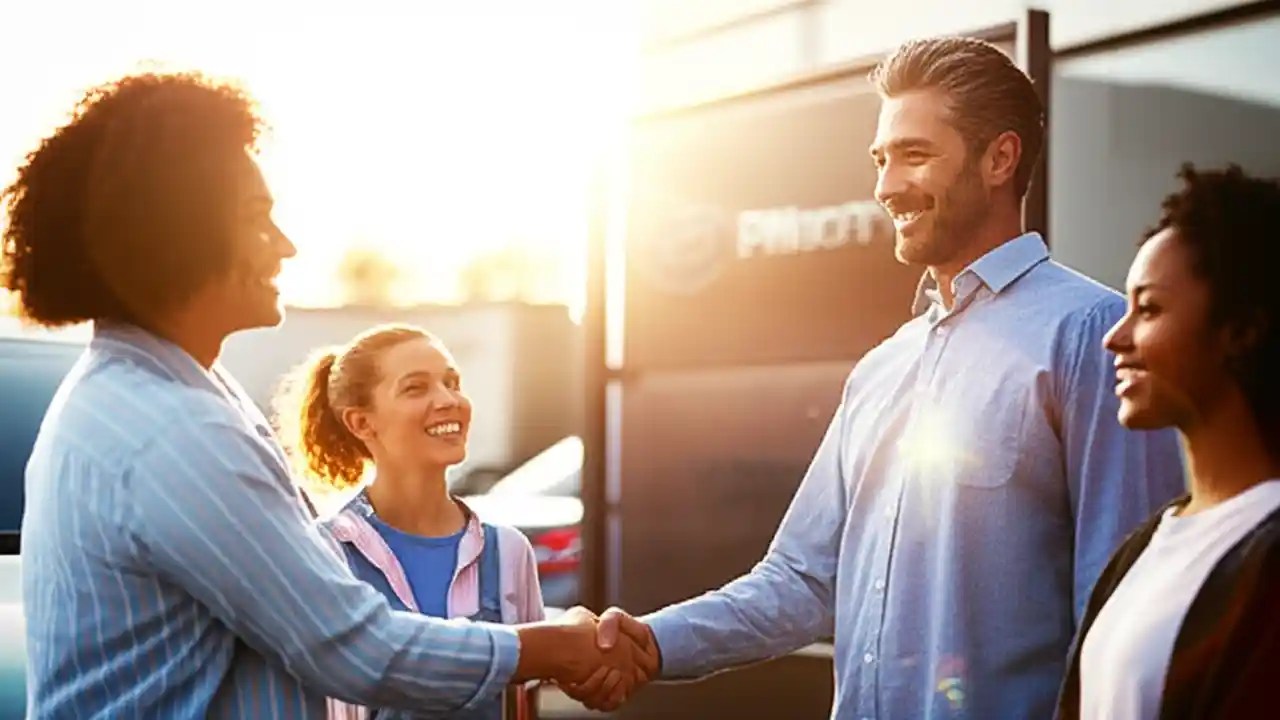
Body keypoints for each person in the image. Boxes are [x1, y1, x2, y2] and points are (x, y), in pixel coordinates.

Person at [4, 71, 653, 718]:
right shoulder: (171, 429)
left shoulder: (167, 389)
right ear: (180, 233)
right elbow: (356, 649)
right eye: (258, 220)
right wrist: (549, 648)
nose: (285, 246)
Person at [591, 36, 1187, 719]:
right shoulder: (882, 369)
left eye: (915, 154)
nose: (885, 186)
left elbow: (1120, 606)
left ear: (1000, 158)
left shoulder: (1091, 334)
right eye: (881, 159)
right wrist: (648, 644)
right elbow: (802, 582)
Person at [1055, 165, 1280, 719]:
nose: (1116, 336)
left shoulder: (1267, 562)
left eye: (1149, 308)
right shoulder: (1146, 546)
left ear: (1239, 331)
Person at [274, 324, 545, 719]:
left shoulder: (509, 552)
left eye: (452, 382)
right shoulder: (323, 553)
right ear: (362, 423)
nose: (448, 399)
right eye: (416, 388)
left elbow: (523, 703)